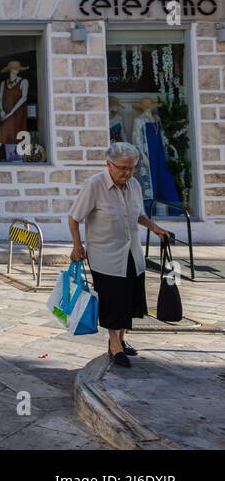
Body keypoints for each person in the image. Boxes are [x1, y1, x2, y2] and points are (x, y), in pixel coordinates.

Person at [67, 142, 172, 368]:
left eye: (131, 168)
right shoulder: (95, 185)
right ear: (109, 164)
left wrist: (154, 227)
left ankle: (122, 340)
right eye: (122, 168)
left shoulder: (133, 185)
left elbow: (137, 215)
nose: (127, 173)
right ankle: (114, 346)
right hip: (105, 254)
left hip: (132, 252)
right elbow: (74, 217)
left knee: (130, 297)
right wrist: (77, 246)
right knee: (113, 300)